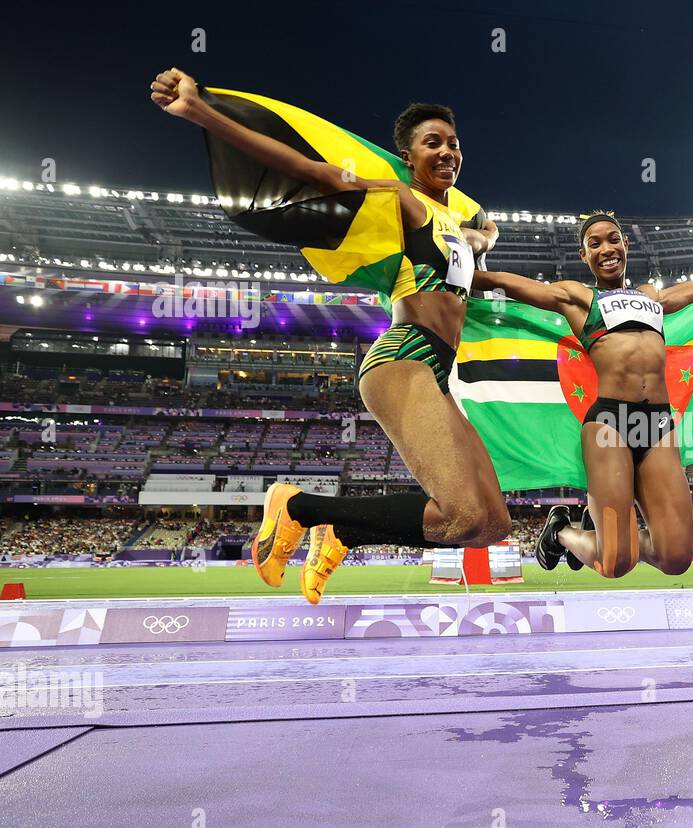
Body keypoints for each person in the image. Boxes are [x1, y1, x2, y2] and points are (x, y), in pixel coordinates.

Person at [151, 68, 510, 603]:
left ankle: (342, 533)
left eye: (454, 144)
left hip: (436, 374)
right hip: (402, 359)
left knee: (489, 525)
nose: (447, 152)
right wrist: (201, 112)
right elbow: (305, 168)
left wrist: (484, 233)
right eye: (431, 143)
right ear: (407, 159)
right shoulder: (403, 200)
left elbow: (481, 233)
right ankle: (299, 506)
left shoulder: (459, 224)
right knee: (458, 512)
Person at [474, 213, 693, 577]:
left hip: (657, 424)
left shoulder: (650, 296)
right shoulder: (579, 297)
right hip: (609, 423)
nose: (606, 249)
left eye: (613, 239)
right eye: (594, 244)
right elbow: (508, 283)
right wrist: (458, 269)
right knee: (615, 563)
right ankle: (562, 531)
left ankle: (607, 533)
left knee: (676, 558)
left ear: (625, 244)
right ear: (584, 256)